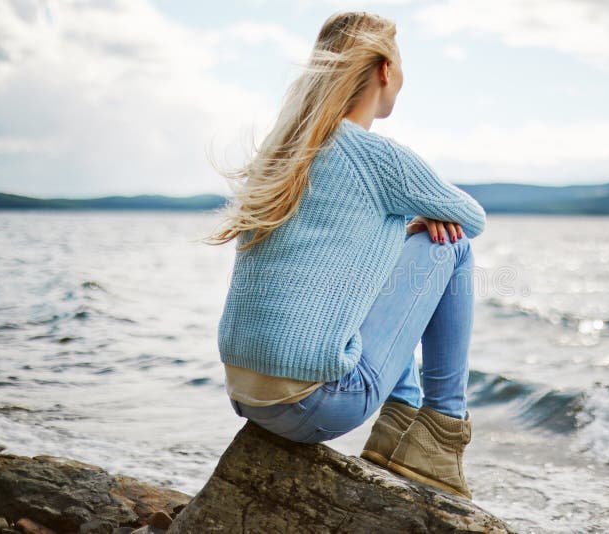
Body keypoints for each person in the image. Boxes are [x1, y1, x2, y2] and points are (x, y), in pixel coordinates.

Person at [205, 11, 486, 500]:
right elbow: (471, 218)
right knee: (454, 245)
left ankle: (396, 429)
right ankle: (440, 432)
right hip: (317, 405)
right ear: (383, 70)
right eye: (401, 65)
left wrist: (404, 229)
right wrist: (421, 221)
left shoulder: (286, 148)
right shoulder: (377, 158)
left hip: (249, 396)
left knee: (398, 252)